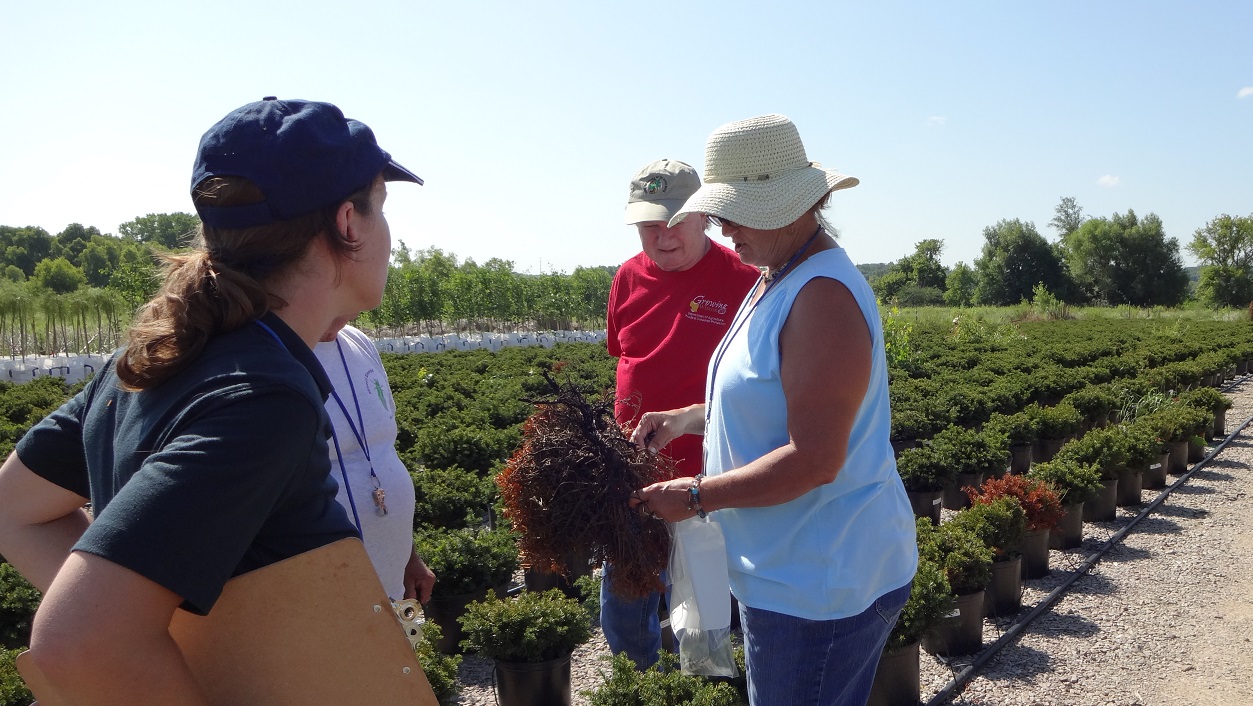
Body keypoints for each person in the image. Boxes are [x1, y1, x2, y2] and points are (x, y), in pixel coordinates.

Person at [0, 97, 423, 704]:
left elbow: (13, 509)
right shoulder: (263, 396)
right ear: (348, 224)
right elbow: (80, 641)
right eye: (380, 208)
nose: (387, 234)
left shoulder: (152, 364)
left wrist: (162, 637)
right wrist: (123, 631)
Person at [631, 114, 918, 706]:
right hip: (791, 569)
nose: (720, 226)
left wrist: (695, 497)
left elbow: (814, 459)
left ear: (784, 205)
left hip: (819, 585)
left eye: (729, 211)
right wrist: (687, 418)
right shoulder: (779, 275)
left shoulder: (821, 298)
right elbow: (767, 392)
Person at [603, 158, 759, 668]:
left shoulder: (744, 281)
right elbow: (623, 360)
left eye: (675, 222)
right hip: (635, 478)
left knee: (713, 614)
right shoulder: (626, 279)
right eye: (650, 224)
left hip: (711, 483)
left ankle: (710, 689)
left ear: (704, 216)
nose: (663, 237)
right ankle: (643, 687)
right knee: (625, 610)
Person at [315, 322, 436, 603]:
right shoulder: (263, 358)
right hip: (324, 606)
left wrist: (406, 556)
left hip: (390, 591)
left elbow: (381, 450)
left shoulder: (356, 340)